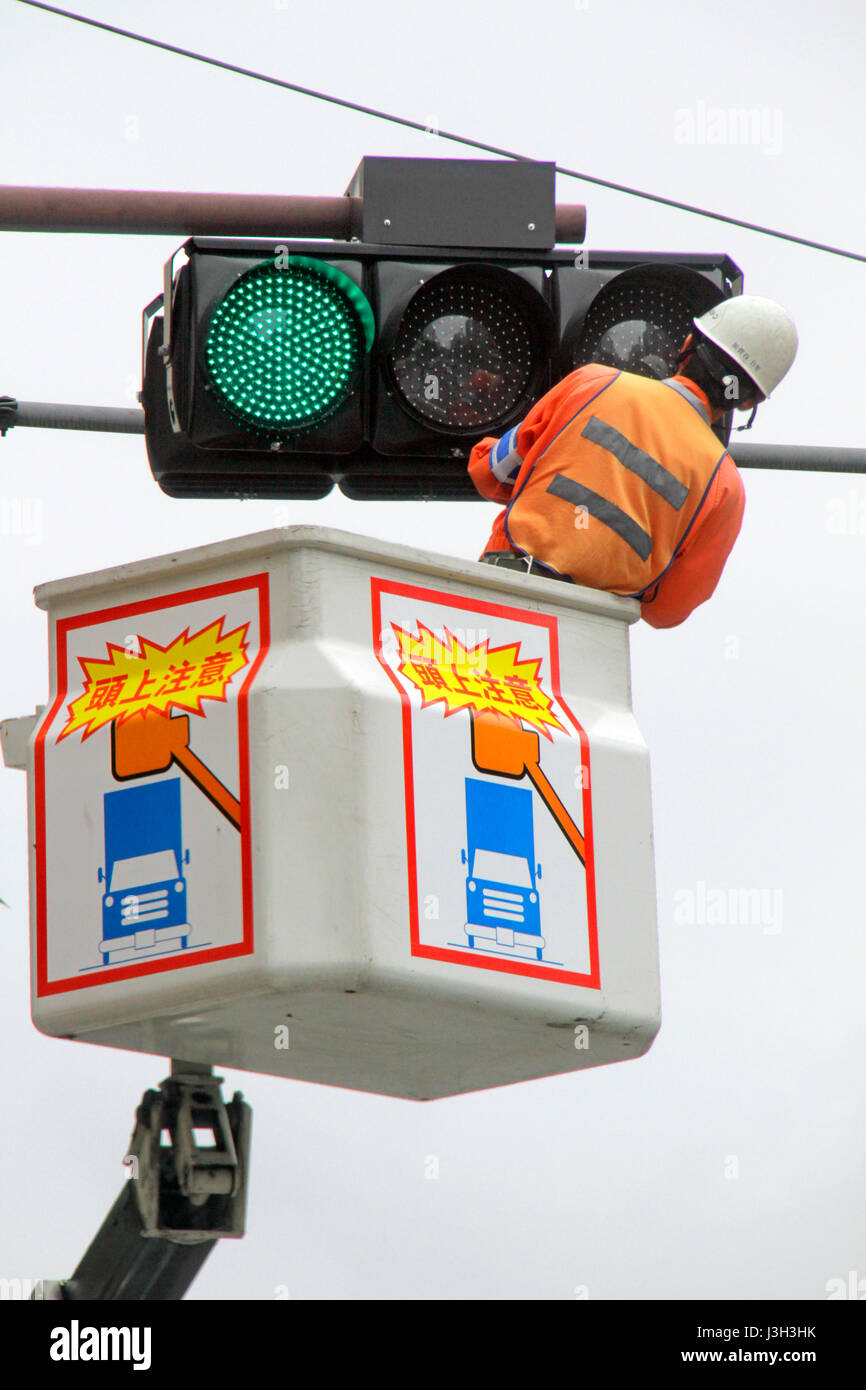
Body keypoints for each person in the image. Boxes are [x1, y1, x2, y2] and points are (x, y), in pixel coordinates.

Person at [468, 295, 798, 628]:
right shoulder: (725, 487)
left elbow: (491, 472)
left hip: (509, 585)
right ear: (748, 402)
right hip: (595, 625)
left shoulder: (593, 383)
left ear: (688, 343)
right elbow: (667, 609)